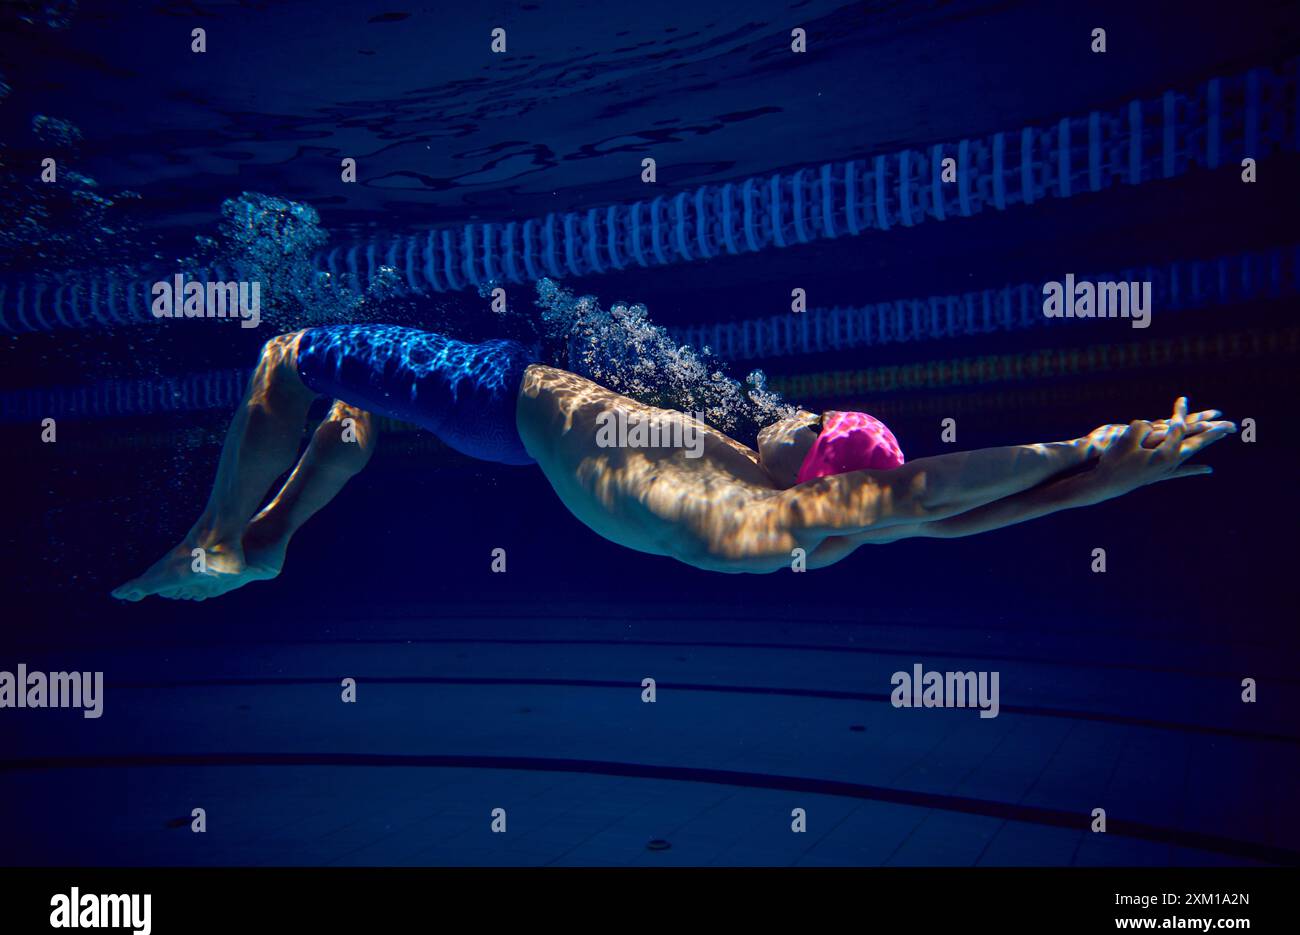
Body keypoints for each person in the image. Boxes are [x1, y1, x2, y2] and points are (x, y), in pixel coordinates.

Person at [111, 325, 1235, 601]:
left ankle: (223, 532)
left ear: (821, 472)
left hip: (503, 400)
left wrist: (1073, 446)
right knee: (352, 416)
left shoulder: (747, 514)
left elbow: (912, 491)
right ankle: (268, 546)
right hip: (518, 435)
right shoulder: (770, 499)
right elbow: (944, 516)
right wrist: (1110, 474)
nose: (784, 412)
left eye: (806, 419)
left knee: (291, 358)